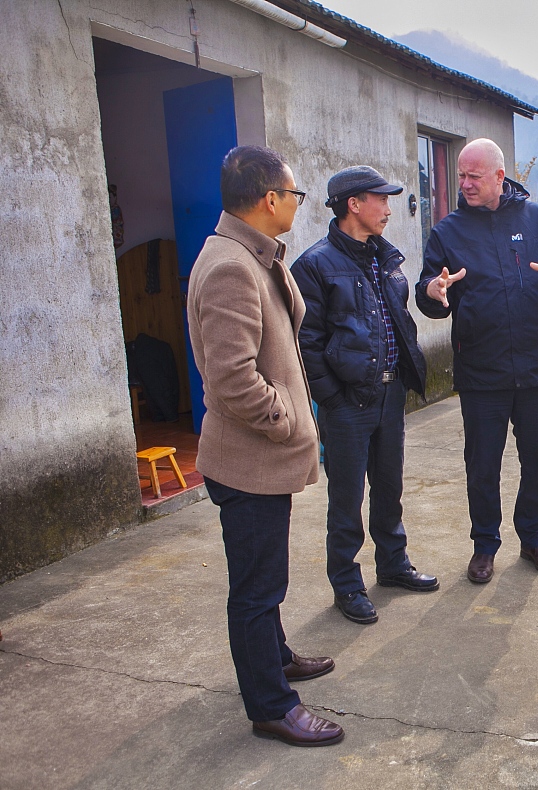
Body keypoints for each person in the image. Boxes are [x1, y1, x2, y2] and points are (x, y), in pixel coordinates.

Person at [188, 145, 343, 746]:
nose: (299, 204)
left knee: (266, 578)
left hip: (260, 460)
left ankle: (275, 658)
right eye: (295, 194)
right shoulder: (231, 266)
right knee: (256, 591)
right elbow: (232, 380)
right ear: (269, 199)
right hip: (247, 462)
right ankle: (271, 706)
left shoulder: (254, 254)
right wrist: (287, 420)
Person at [416, 138, 538, 584]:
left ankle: (534, 539)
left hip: (536, 367)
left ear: (499, 176)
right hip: (481, 371)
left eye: (474, 176)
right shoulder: (448, 231)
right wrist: (432, 291)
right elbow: (428, 293)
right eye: (461, 176)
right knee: (482, 465)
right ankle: (484, 545)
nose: (465, 184)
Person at [291, 166, 436, 626]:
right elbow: (305, 343)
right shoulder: (314, 266)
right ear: (354, 205)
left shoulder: (384, 258)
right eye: (381, 199)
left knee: (389, 489)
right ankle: (347, 584)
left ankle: (393, 565)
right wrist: (332, 398)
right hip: (347, 404)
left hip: (390, 395)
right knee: (347, 499)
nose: (389, 209)